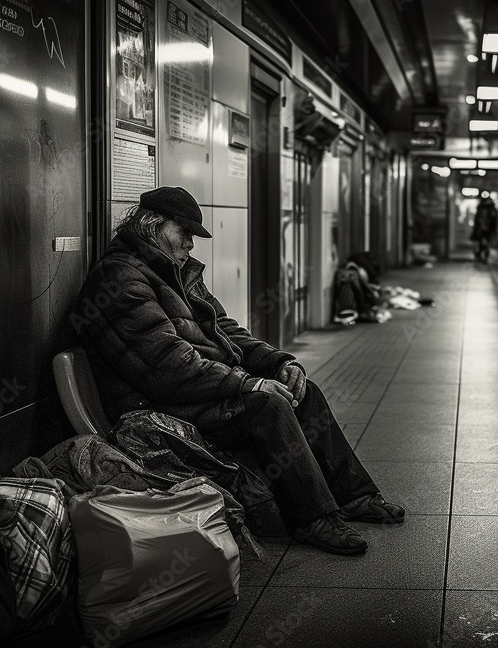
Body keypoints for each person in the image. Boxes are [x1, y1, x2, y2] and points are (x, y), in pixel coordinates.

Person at [75, 186, 404, 556]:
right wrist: (249, 384)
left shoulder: (176, 271)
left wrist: (279, 363)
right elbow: (167, 367)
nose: (190, 244)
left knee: (302, 390)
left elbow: (226, 330)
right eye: (184, 233)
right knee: (268, 406)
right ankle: (313, 517)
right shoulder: (119, 278)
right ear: (153, 225)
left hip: (199, 388)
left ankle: (354, 495)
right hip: (156, 405)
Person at [471, 197, 498, 265]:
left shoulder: (483, 209)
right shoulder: (488, 210)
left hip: (484, 230)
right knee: (484, 244)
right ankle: (482, 256)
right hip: (483, 230)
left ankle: (481, 256)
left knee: (484, 244)